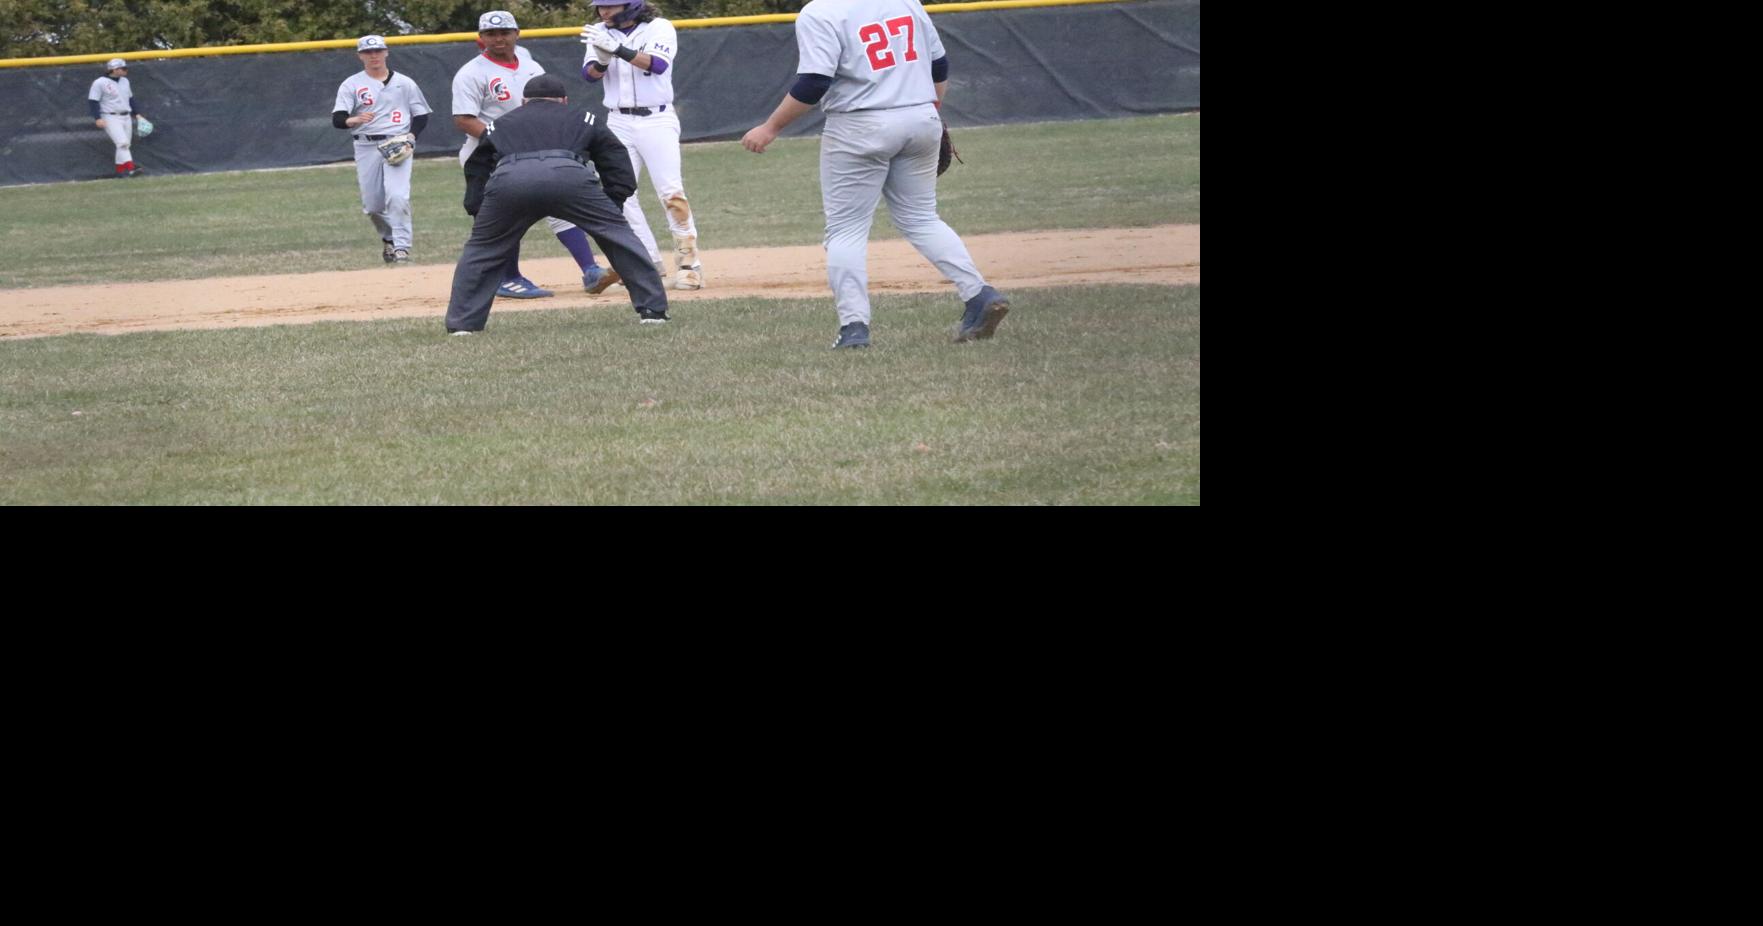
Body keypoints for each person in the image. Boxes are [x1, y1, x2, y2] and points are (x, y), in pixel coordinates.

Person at [741, 0, 1009, 349]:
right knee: (922, 218)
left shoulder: (821, 11)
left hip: (861, 123)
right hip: (920, 116)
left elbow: (814, 82)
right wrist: (930, 111)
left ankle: (854, 327)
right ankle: (979, 294)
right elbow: (939, 64)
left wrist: (771, 127)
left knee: (845, 230)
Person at [444, 75, 670, 334]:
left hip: (511, 179)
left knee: (483, 248)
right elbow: (615, 157)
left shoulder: (500, 124)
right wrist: (613, 202)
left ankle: (463, 325)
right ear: (564, 100)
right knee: (620, 238)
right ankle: (652, 311)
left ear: (524, 101)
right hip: (569, 176)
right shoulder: (584, 117)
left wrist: (478, 208)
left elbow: (478, 164)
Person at [452, 10, 614, 298]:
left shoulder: (530, 65)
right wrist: (504, 141)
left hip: (534, 150)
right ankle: (507, 278)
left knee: (562, 205)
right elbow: (465, 119)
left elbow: (547, 106)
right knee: (502, 218)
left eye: (504, 32)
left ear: (517, 34)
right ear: (481, 38)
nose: (498, 38)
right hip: (487, 155)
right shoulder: (471, 73)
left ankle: (590, 270)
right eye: (491, 34)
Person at [580, 0, 704, 290]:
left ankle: (689, 264)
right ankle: (642, 261)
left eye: (610, 7)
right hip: (618, 120)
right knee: (616, 193)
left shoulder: (659, 27)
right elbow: (588, 76)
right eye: (601, 7)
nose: (604, 12)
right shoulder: (600, 31)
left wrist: (617, 50)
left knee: (671, 192)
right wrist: (602, 59)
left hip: (656, 119)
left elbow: (657, 65)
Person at [332, 35, 432, 265]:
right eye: (368, 52)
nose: (373, 55)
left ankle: (402, 248)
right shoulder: (352, 84)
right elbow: (337, 119)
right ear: (360, 56)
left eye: (377, 50)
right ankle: (389, 239)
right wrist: (353, 119)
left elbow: (421, 115)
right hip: (366, 145)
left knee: (397, 196)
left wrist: (411, 137)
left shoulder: (405, 83)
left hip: (397, 143)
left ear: (386, 52)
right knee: (373, 205)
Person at [87, 58, 147, 178]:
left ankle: (120, 171)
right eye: (123, 68)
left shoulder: (125, 81)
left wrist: (138, 114)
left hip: (126, 116)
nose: (126, 70)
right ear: (114, 69)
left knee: (125, 145)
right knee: (122, 143)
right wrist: (97, 118)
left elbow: (130, 99)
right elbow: (93, 101)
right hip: (110, 116)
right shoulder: (100, 82)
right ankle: (131, 169)